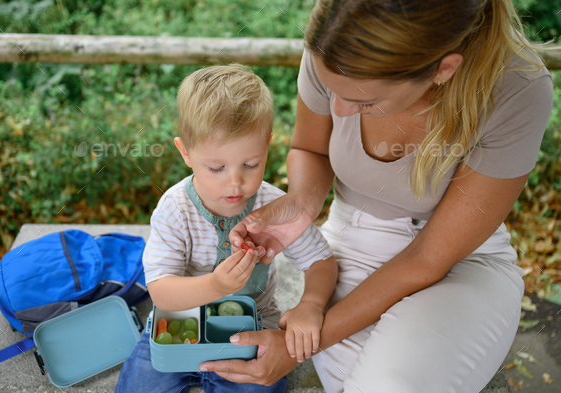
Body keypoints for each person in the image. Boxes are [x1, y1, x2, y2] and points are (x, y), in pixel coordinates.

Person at [198, 1, 555, 392]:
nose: (340, 110)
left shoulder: (517, 86)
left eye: (365, 103)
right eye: (331, 89)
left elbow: (429, 257)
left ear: (443, 70)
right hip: (348, 251)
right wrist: (301, 203)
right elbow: (311, 149)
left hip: (462, 264)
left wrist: (293, 347)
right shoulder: (338, 38)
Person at [115, 64, 338, 393]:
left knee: (259, 385)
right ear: (185, 152)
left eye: (251, 164)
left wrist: (311, 305)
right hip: (177, 323)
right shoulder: (175, 209)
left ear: (267, 147)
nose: (236, 182)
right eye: (216, 167)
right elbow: (161, 291)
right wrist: (216, 285)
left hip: (253, 323)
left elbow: (321, 261)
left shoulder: (275, 208)